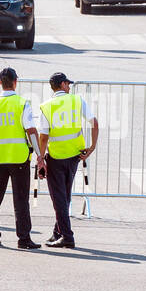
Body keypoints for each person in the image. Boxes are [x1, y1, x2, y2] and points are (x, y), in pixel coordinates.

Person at [0, 67, 42, 249]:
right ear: (15, 81)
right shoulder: (22, 103)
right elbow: (31, 131)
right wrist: (40, 156)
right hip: (18, 158)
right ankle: (24, 239)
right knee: (20, 200)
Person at [37, 72, 98, 249]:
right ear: (62, 84)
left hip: (56, 156)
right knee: (65, 195)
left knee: (59, 198)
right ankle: (58, 232)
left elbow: (43, 137)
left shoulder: (46, 106)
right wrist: (92, 147)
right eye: (68, 83)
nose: (69, 86)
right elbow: (95, 123)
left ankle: (67, 235)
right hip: (75, 155)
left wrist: (41, 159)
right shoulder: (77, 100)